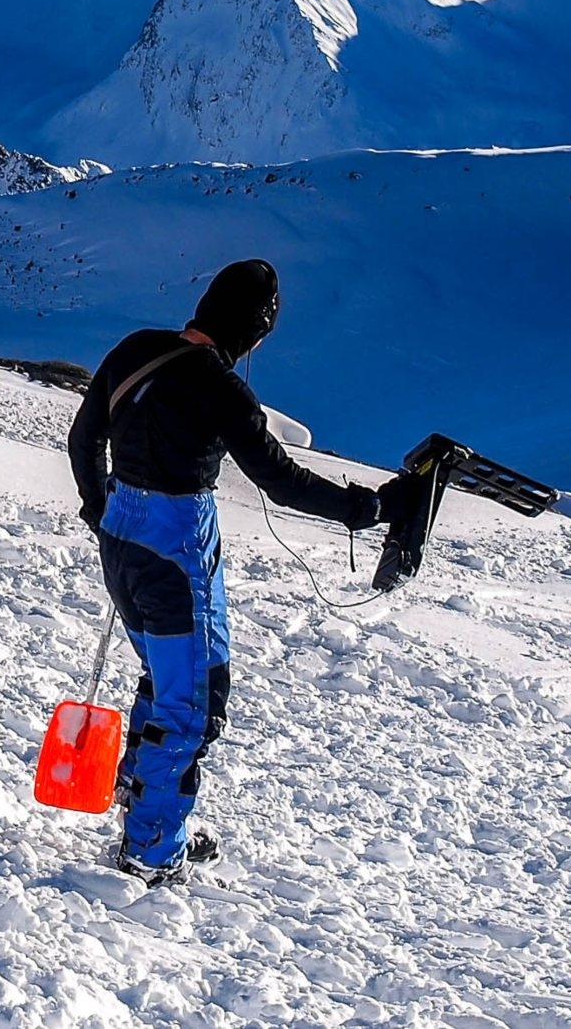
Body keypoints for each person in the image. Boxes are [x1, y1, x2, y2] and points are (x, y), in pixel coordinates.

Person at [66, 259, 382, 886]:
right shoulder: (222, 388)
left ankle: (149, 806)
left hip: (122, 541)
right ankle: (151, 848)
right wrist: (356, 507)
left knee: (166, 677)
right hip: (177, 554)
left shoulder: (136, 348)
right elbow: (279, 480)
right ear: (254, 330)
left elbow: (83, 439)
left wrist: (103, 508)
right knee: (192, 701)